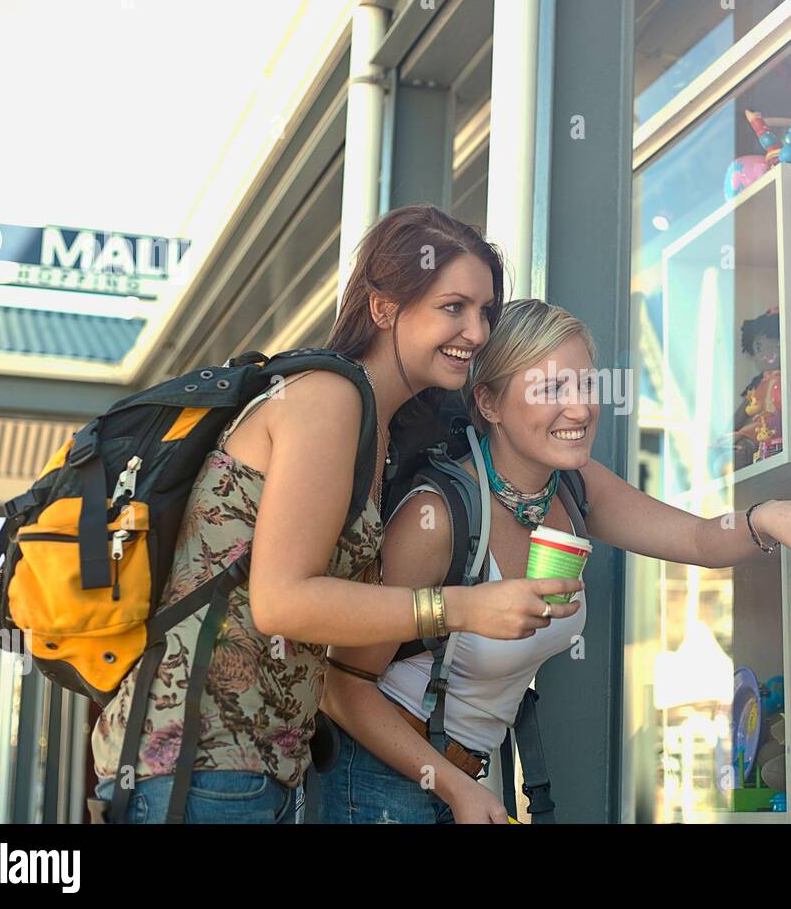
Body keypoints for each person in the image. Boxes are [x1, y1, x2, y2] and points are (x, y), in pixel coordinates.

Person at [90, 206, 582, 823]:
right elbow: (281, 601)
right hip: (201, 760)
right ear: (383, 308)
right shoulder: (329, 398)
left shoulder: (382, 425)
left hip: (254, 765)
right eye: (453, 307)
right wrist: (464, 607)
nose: (478, 333)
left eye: (485, 312)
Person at [319, 299, 791, 823]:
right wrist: (451, 785)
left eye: (587, 383)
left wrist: (767, 518)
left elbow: (701, 540)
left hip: (461, 777)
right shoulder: (437, 516)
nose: (581, 406)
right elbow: (342, 685)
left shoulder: (573, 489)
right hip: (380, 781)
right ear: (488, 402)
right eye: (551, 387)